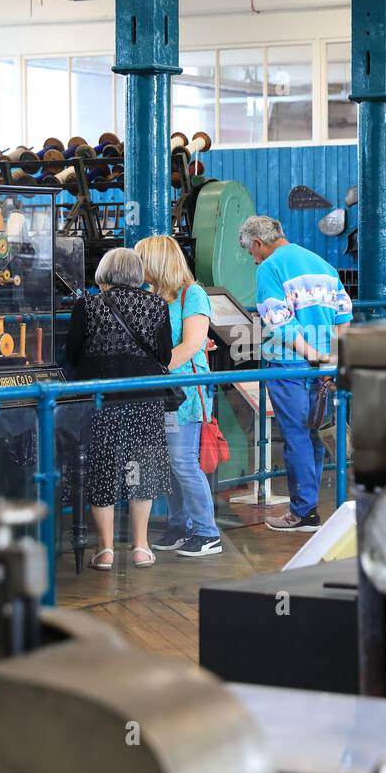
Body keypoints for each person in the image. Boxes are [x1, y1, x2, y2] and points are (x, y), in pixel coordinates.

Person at [238, 215, 352, 533]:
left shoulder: (270, 268)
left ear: (259, 243)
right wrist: (332, 357)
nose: (253, 258)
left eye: (251, 251)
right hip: (324, 366)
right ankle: (309, 506)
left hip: (289, 364)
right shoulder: (322, 265)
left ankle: (303, 513)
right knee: (313, 433)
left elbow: (280, 322)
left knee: (297, 436)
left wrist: (309, 354)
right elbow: (344, 312)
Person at [63, 247, 173, 571]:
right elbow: (164, 356)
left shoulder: (87, 305)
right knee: (142, 471)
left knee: (102, 470)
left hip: (101, 400)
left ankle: (105, 550)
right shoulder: (157, 305)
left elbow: (71, 354)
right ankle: (141, 547)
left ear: (104, 273)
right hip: (144, 399)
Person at [134, 235, 222, 558]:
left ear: (157, 262)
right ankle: (180, 524)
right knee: (169, 462)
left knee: (183, 461)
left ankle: (207, 532)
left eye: (141, 260)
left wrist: (154, 367)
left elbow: (191, 344)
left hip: (182, 393)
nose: (137, 266)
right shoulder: (148, 295)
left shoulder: (192, 295)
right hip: (159, 390)